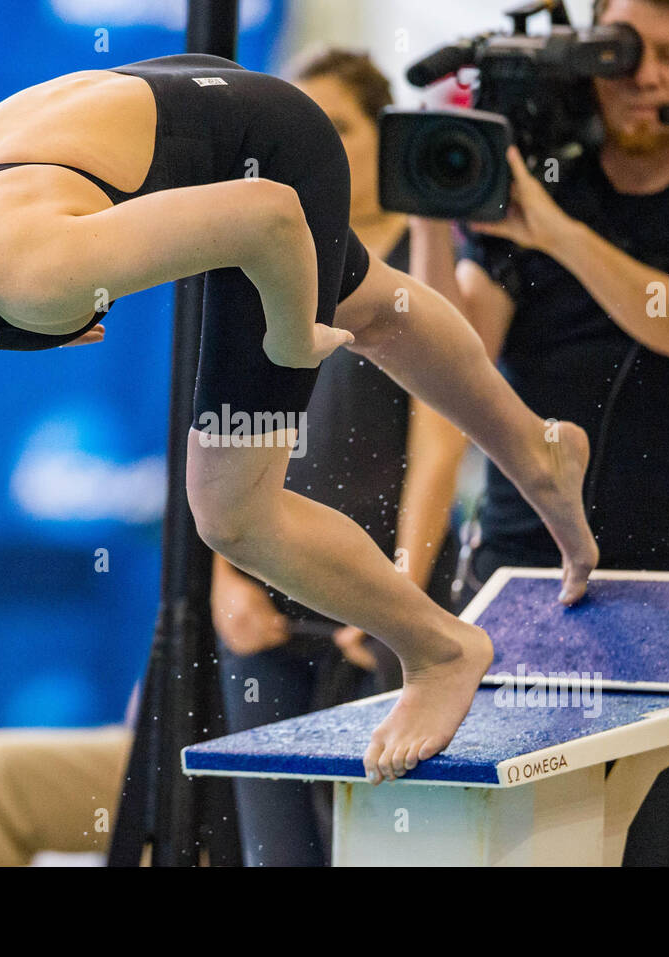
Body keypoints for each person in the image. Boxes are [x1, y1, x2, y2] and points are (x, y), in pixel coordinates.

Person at [0, 52, 598, 783]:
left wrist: (290, 326)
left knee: (234, 511)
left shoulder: (27, 268)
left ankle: (442, 649)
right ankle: (540, 449)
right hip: (194, 102)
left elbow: (266, 218)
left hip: (257, 163)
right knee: (377, 309)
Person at [412, 0, 669, 863]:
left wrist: (556, 232)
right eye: (621, 53)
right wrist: (432, 209)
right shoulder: (544, 187)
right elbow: (457, 352)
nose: (644, 76)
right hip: (521, 583)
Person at [210, 48, 468, 865]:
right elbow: (222, 425)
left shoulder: (427, 267)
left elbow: (441, 433)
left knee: (379, 844)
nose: (319, 145)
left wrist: (400, 590)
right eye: (305, 127)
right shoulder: (262, 259)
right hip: (273, 591)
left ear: (383, 139)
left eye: (341, 127)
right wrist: (227, 574)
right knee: (275, 848)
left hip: (389, 593)